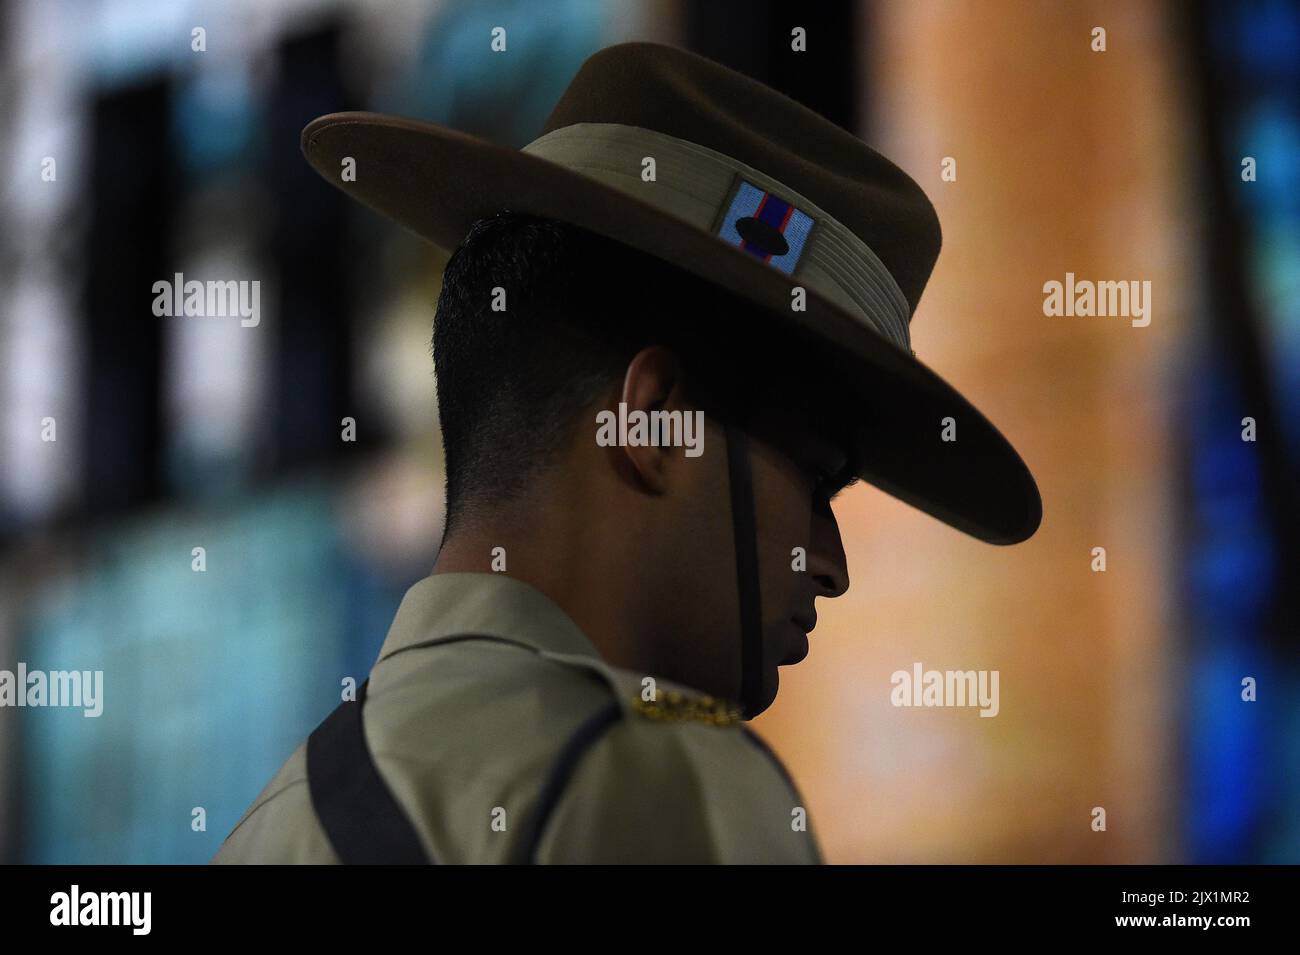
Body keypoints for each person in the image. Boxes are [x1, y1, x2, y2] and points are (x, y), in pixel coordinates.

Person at [213, 41, 1040, 865]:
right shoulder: (662, 773)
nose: (831, 563)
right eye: (818, 479)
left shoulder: (266, 829)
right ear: (654, 421)